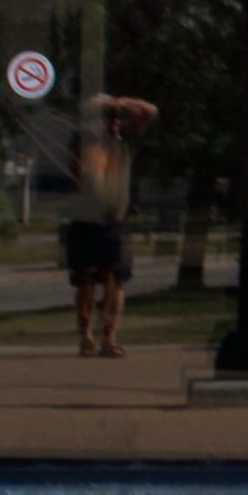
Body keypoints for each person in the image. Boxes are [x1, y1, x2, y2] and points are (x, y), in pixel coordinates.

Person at [66, 94, 157, 358]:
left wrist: (122, 103)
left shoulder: (123, 143)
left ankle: (110, 336)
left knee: (115, 281)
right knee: (85, 284)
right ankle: (86, 336)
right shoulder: (84, 141)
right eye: (107, 118)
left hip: (114, 223)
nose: (113, 123)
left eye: (116, 119)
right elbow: (77, 162)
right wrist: (102, 107)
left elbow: (150, 111)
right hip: (85, 222)